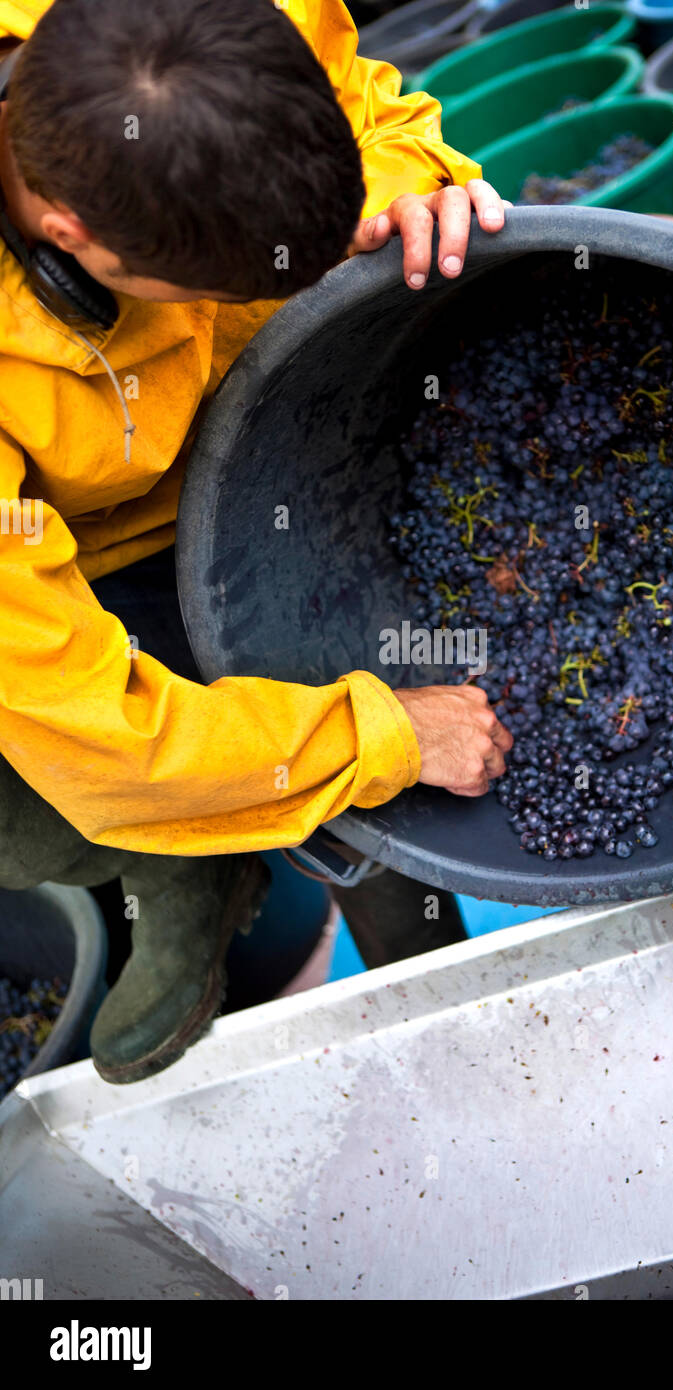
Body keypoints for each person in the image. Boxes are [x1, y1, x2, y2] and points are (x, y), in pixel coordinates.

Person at [0, 0, 512, 1084]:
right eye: (210, 290)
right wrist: (388, 737)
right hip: (75, 558)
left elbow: (370, 96)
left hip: (291, 431)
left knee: (354, 675)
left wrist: (414, 179)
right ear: (69, 241)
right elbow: (101, 738)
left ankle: (428, 978)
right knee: (36, 810)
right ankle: (174, 859)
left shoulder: (199, 24)